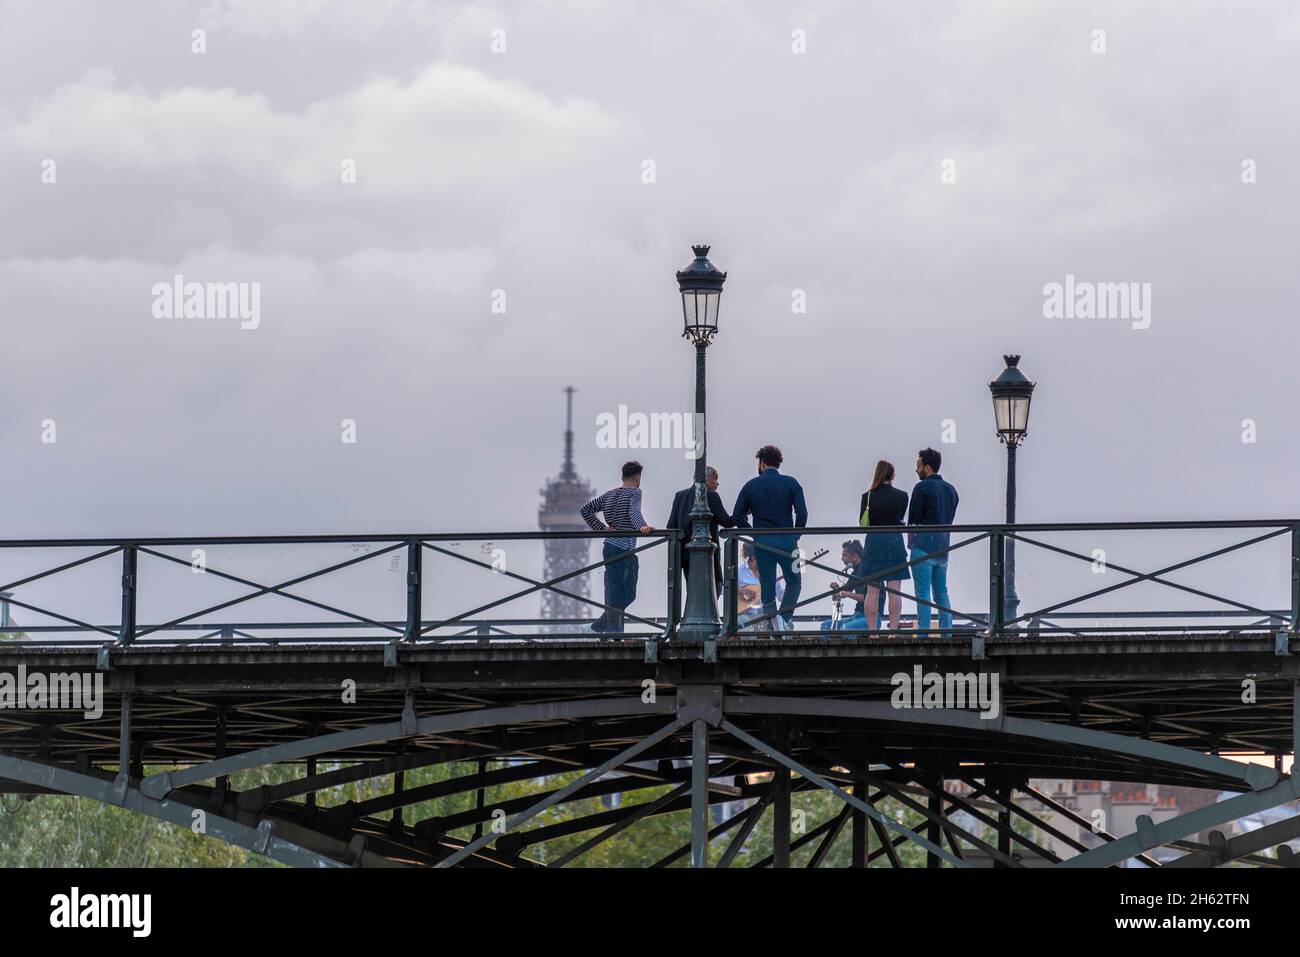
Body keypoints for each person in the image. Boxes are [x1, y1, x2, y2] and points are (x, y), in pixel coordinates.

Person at [731, 445, 808, 633]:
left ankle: (772, 624)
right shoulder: (791, 483)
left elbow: (737, 516)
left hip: (762, 544)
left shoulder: (751, 486)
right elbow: (802, 514)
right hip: (788, 543)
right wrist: (795, 534)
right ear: (778, 463)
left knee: (767, 586)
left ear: (762, 463)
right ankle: (783, 619)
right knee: (795, 582)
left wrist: (753, 534)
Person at [579, 461, 654, 633]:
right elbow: (634, 513)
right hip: (624, 548)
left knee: (615, 591)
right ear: (637, 478)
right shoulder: (635, 492)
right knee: (626, 592)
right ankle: (602, 628)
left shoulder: (609, 495)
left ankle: (608, 631)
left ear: (623, 476)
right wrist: (642, 526)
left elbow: (585, 509)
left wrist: (601, 529)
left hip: (609, 546)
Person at [907, 448, 959, 636]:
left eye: (918, 465)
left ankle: (923, 634)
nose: (916, 469)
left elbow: (913, 519)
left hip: (922, 546)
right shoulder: (951, 490)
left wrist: (910, 543)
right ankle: (947, 633)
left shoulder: (921, 488)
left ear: (927, 467)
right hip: (943, 547)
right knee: (941, 592)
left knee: (922, 594)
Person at [666, 466, 735, 598]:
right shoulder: (711, 495)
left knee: (693, 591)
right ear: (706, 478)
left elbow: (670, 526)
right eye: (715, 479)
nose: (717, 484)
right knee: (717, 585)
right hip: (707, 554)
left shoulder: (680, 496)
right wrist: (741, 515)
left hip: (685, 555)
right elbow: (726, 522)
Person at [859, 460, 910, 632]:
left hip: (874, 544)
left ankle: (873, 632)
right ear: (893, 475)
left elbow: (862, 523)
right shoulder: (903, 496)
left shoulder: (868, 497)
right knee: (894, 591)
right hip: (895, 543)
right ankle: (893, 631)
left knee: (872, 592)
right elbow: (900, 518)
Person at [821, 540, 871, 634]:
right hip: (857, 615)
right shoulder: (855, 573)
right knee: (825, 626)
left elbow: (868, 598)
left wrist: (847, 594)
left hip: (870, 617)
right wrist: (836, 589)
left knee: (845, 628)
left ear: (855, 556)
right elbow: (842, 593)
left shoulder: (867, 571)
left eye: (844, 555)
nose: (842, 559)